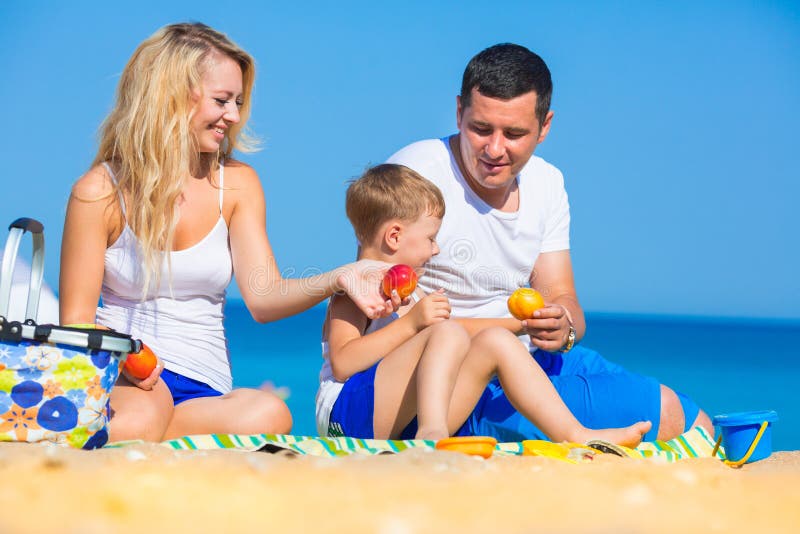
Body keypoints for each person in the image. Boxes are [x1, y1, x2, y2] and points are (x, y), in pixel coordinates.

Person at [59, 23, 397, 443]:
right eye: (222, 101)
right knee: (147, 413)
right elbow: (74, 323)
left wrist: (340, 276)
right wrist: (129, 355)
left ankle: (137, 433)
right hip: (129, 377)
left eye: (238, 102)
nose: (234, 116)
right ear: (170, 96)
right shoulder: (99, 192)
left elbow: (264, 297)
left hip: (205, 388)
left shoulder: (236, 184)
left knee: (271, 413)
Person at [387, 43, 712, 442]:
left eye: (515, 134)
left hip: (532, 360)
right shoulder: (414, 174)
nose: (494, 149)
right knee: (668, 415)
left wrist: (564, 328)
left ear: (545, 126)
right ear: (458, 112)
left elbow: (563, 297)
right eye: (481, 128)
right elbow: (384, 311)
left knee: (699, 426)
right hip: (451, 385)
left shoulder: (547, 183)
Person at [317, 164, 651, 446]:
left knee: (496, 342)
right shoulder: (356, 289)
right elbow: (345, 363)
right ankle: (432, 435)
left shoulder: (412, 294)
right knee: (446, 332)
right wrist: (412, 324)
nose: (435, 250)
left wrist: (520, 326)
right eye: (431, 239)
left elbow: (460, 331)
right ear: (394, 237)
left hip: (398, 419)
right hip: (346, 417)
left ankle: (577, 435)